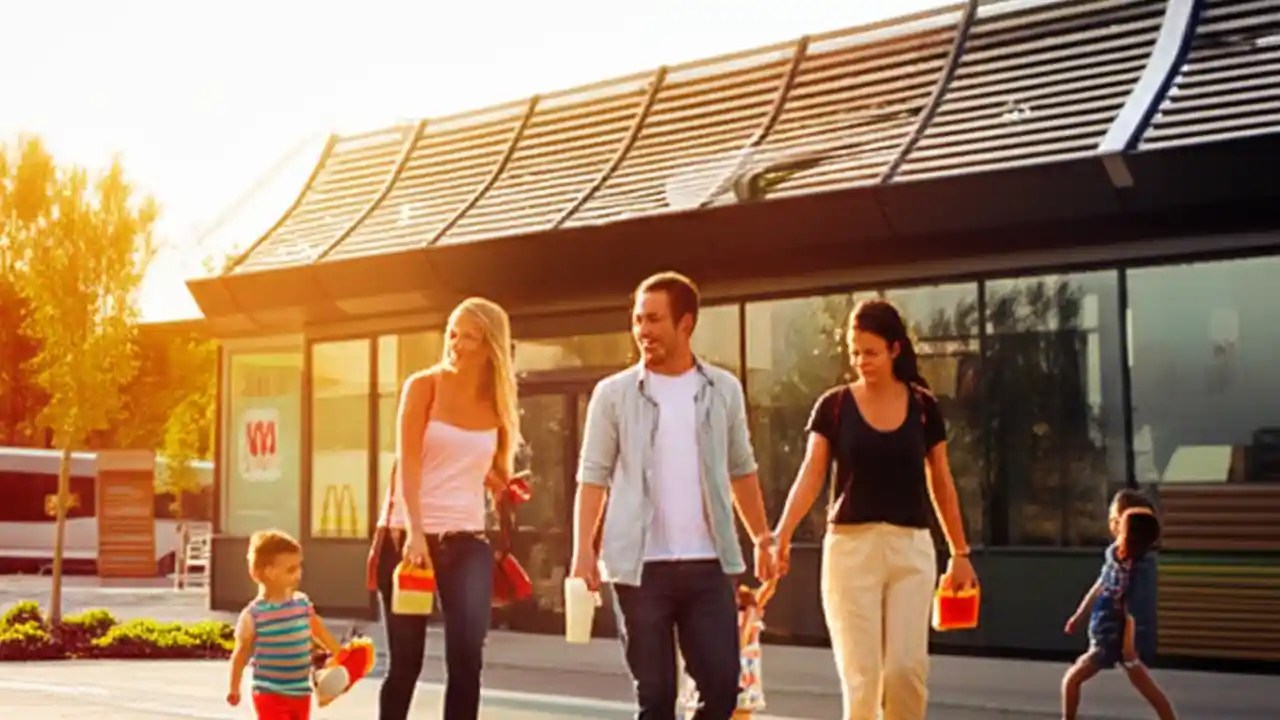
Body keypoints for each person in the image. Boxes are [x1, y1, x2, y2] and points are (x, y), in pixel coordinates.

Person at [572, 271, 776, 720]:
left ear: (686, 324)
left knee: (723, 689)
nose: (643, 330)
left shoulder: (722, 390)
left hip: (708, 565)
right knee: (657, 698)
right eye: (638, 320)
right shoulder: (613, 395)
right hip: (639, 569)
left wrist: (762, 536)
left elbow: (742, 469)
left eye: (654, 320)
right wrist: (582, 552)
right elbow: (593, 476)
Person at [771, 298, 978, 720]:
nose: (861, 361)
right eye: (854, 352)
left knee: (905, 670)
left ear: (895, 350)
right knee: (862, 680)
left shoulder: (923, 407)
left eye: (871, 351)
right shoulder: (834, 406)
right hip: (851, 552)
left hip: (911, 550)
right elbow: (811, 474)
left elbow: (941, 480)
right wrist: (781, 534)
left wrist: (960, 552)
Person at [368, 297, 522, 720]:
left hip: (466, 539)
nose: (456, 342)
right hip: (408, 538)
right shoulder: (424, 386)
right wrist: (416, 533)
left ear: (489, 344)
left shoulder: (497, 404)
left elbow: (487, 468)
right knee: (406, 664)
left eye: (468, 335)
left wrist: (500, 483)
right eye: (452, 332)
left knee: (467, 660)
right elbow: (410, 462)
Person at [1062, 491, 1177, 720]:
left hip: (1115, 638)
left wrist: (1129, 651)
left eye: (1116, 519)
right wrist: (1079, 615)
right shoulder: (1114, 555)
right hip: (1108, 634)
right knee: (1146, 687)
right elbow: (1100, 585)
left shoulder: (1140, 567)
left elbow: (1132, 611)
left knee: (1072, 680)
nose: (1112, 524)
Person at [227, 529, 341, 720]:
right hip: (269, 692)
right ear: (269, 572)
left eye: (299, 566)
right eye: (291, 569)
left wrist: (340, 654)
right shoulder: (253, 615)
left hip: (300, 691)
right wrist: (234, 687)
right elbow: (240, 653)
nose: (299, 573)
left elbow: (319, 630)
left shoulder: (302, 604)